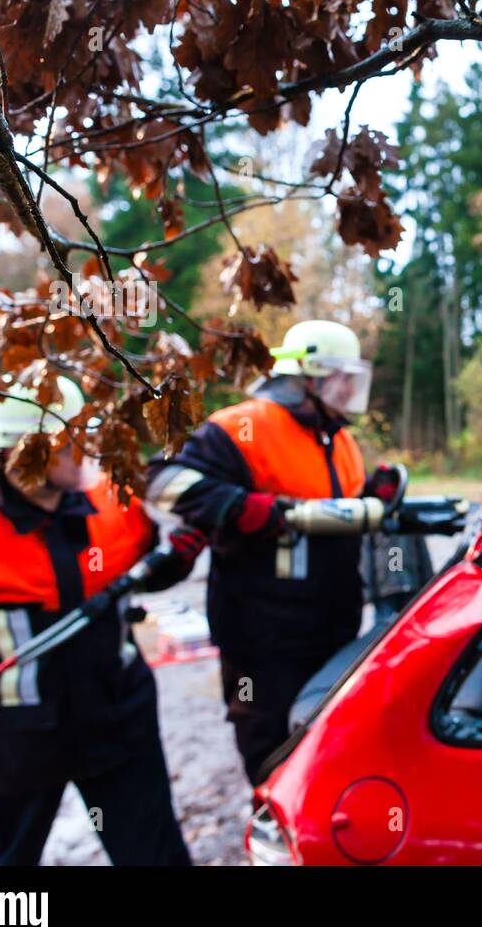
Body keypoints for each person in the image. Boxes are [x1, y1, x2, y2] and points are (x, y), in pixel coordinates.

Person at [0, 379, 200, 865]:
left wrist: (177, 562)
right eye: (70, 441)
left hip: (119, 729)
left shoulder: (116, 507)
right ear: (25, 453)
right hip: (11, 748)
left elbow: (142, 577)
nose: (87, 452)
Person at [147, 319, 391, 785]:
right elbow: (162, 482)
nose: (348, 389)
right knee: (270, 745)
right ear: (306, 376)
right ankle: (272, 838)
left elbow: (342, 512)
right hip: (261, 635)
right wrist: (239, 507)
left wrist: (375, 500)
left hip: (332, 625)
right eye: (339, 377)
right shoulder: (242, 426)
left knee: (325, 738)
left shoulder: (340, 441)